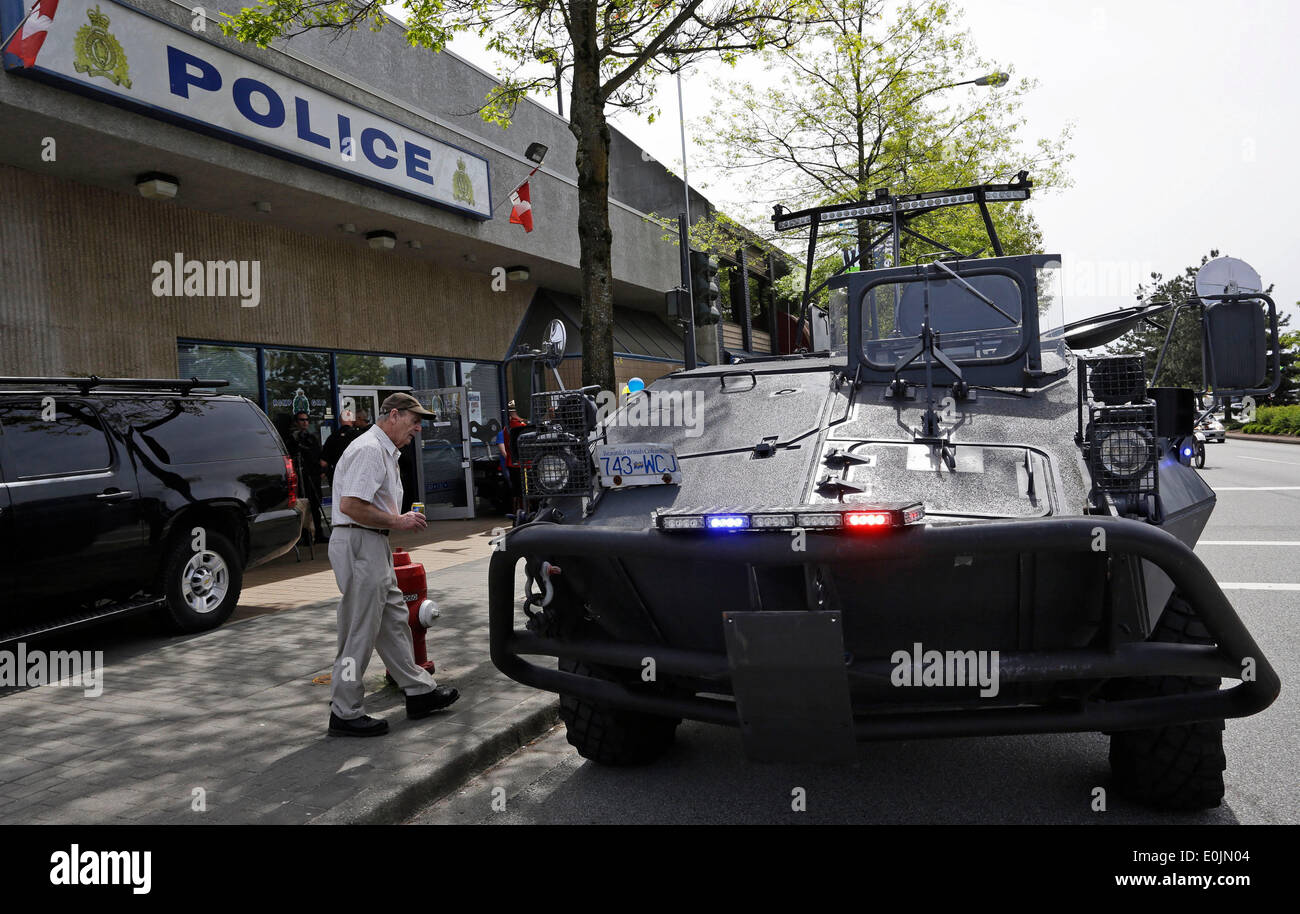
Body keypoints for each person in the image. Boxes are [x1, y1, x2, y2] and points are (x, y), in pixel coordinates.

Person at [326, 393, 459, 737]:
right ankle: (344, 710)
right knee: (359, 629)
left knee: (394, 619)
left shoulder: (381, 450)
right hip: (359, 540)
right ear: (394, 415)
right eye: (415, 420)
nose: (418, 428)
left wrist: (392, 523)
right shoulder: (371, 449)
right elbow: (352, 505)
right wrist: (398, 522)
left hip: (369, 541)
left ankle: (419, 692)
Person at [289, 411, 328, 541]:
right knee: (302, 507)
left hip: (313, 476)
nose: (305, 422)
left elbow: (318, 455)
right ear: (296, 422)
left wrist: (322, 470)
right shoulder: (293, 439)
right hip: (301, 477)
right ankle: (305, 536)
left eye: (306, 420)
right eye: (301, 420)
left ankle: (319, 534)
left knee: (315, 506)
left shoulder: (312, 438)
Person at [321, 408, 370, 484]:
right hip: (357, 479)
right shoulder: (360, 436)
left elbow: (323, 463)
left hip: (338, 479)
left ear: (340, 421)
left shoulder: (331, 438)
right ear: (352, 420)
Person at [496, 400, 527, 513]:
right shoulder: (521, 427)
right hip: (524, 464)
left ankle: (516, 514)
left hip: (512, 463)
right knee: (525, 492)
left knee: (516, 492)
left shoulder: (506, 428)